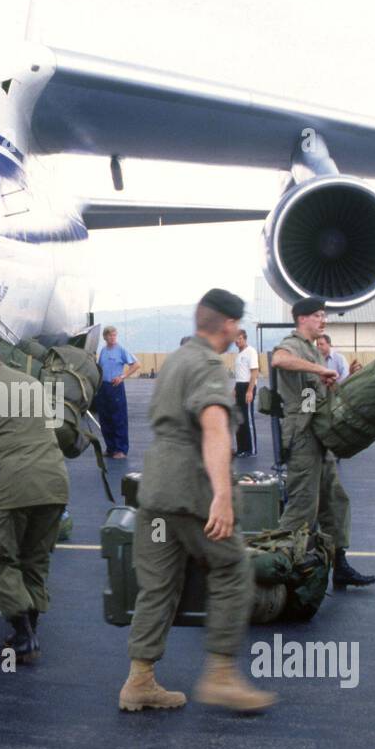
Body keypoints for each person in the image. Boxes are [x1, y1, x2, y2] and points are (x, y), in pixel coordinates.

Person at [118, 289, 276, 714]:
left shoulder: (176, 360)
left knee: (157, 586)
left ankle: (140, 680)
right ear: (227, 324)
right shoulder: (206, 364)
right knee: (231, 567)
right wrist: (222, 496)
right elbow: (214, 428)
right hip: (190, 489)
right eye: (235, 325)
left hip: (155, 491)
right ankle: (221, 675)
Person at [0, 332, 69, 662]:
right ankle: (30, 626)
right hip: (54, 481)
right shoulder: (32, 383)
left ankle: (22, 635)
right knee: (35, 557)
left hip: (12, 485)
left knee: (1, 558)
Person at [271, 298, 375, 590]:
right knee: (303, 505)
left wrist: (338, 380)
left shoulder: (314, 352)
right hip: (302, 432)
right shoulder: (292, 344)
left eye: (324, 315)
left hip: (318, 431)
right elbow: (278, 360)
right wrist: (319, 371)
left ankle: (339, 564)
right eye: (319, 315)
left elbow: (317, 391)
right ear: (302, 318)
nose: (324, 320)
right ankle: (277, 569)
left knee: (335, 500)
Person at [95, 326, 140, 459]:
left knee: (118, 418)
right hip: (103, 387)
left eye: (114, 335)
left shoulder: (120, 350)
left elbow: (137, 364)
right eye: (110, 335)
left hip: (115, 388)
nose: (113, 337)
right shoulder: (103, 351)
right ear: (105, 337)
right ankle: (110, 448)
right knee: (105, 419)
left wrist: (122, 376)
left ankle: (121, 450)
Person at [232, 328, 259, 457]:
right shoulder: (239, 354)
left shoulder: (251, 351)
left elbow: (254, 372)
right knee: (239, 419)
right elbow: (240, 374)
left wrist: (250, 391)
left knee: (247, 419)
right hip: (239, 386)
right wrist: (235, 389)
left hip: (248, 386)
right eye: (235, 339)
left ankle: (251, 449)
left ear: (244, 338)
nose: (237, 341)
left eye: (240, 338)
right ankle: (241, 448)